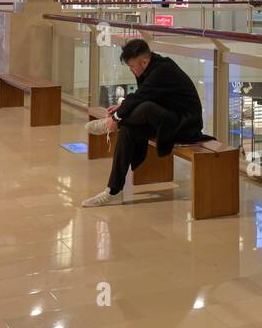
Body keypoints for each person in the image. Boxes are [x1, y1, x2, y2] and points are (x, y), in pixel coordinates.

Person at [82, 39, 206, 207]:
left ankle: (111, 124)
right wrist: (122, 107)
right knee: (128, 129)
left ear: (144, 61)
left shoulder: (162, 69)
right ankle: (113, 191)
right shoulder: (150, 68)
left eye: (132, 66)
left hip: (184, 126)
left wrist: (117, 116)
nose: (131, 70)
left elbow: (142, 98)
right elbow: (143, 95)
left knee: (145, 108)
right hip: (166, 121)